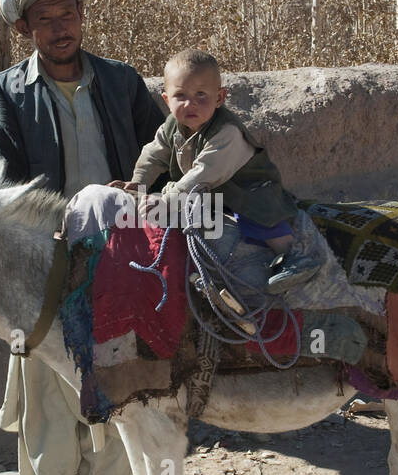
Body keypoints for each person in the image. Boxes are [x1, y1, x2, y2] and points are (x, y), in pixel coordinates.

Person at [0, 0, 165, 475]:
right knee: (47, 406)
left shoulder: (121, 83)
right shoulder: (8, 93)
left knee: (120, 394)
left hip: (118, 265)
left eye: (68, 14)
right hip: (46, 273)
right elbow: (1, 185)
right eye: (44, 19)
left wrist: (138, 192)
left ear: (83, 15)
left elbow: (157, 154)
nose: (59, 28)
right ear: (27, 27)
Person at [123, 48, 321, 293]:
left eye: (201, 95)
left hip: (247, 188)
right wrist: (137, 182)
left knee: (259, 217)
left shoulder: (227, 132)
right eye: (180, 95)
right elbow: (153, 154)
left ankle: (296, 256)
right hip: (213, 193)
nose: (190, 103)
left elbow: (202, 173)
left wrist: (167, 200)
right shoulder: (171, 127)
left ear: (220, 97)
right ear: (166, 100)